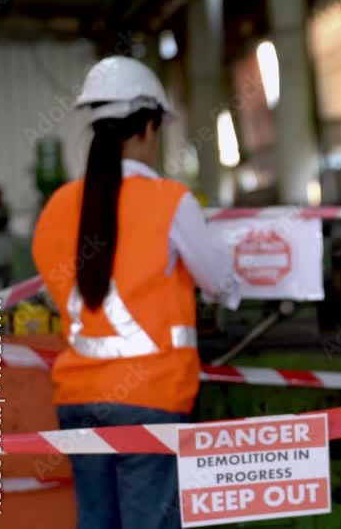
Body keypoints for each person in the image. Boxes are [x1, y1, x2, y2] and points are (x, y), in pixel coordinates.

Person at [31, 56, 240, 529]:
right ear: (148, 127)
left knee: (97, 521)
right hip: (151, 399)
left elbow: (54, 289)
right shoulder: (170, 201)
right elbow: (219, 282)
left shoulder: (58, 207)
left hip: (77, 399)